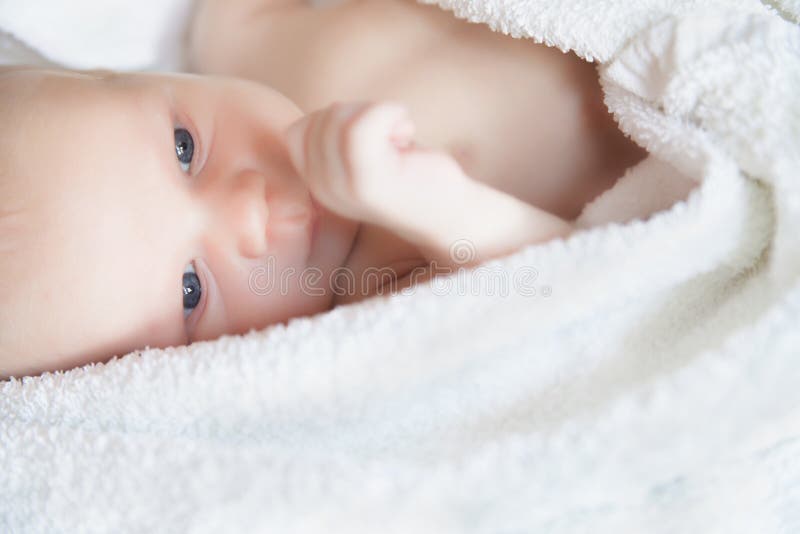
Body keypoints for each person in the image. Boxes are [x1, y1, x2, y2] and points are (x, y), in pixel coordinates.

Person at [0, 0, 646, 378]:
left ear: (124, 76)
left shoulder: (240, 35)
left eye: (183, 147)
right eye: (192, 290)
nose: (246, 206)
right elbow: (567, 287)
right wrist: (440, 206)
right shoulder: (382, 293)